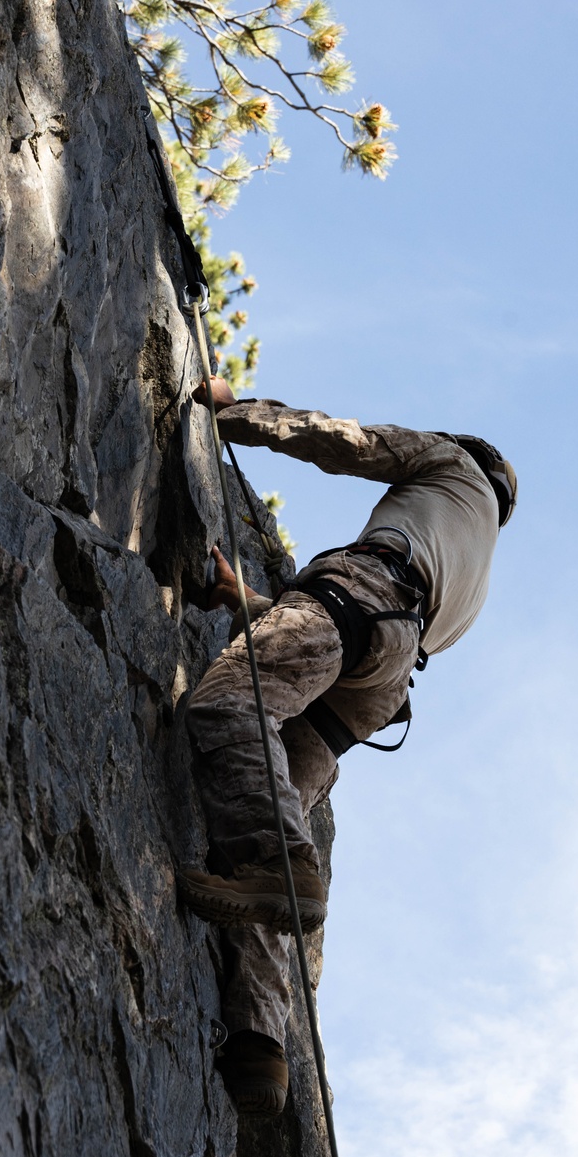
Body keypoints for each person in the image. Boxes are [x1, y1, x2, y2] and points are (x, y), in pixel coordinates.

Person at [178, 375, 517, 1116]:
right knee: (279, 814)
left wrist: (240, 415)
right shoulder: (473, 575)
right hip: (386, 670)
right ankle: (260, 1045)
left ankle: (281, 869)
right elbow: (342, 647)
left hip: (360, 594)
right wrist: (245, 603)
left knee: (227, 704)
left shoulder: (453, 467)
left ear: (471, 455)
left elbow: (351, 442)